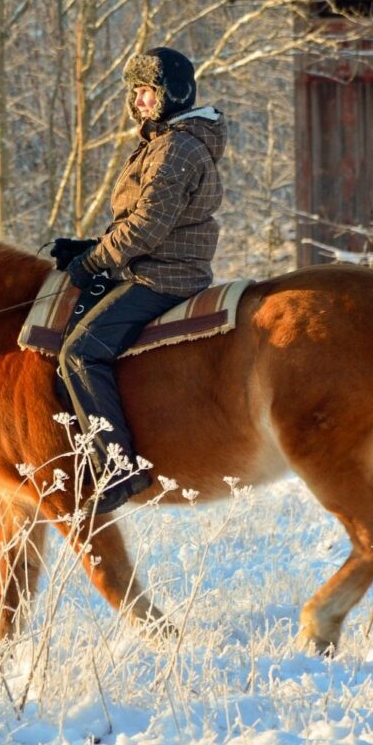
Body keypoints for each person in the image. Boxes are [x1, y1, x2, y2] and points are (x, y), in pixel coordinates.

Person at [48, 46, 225, 515]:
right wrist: (90, 248)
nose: (141, 101)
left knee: (80, 352)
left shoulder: (178, 146)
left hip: (163, 275)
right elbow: (141, 219)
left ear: (174, 94)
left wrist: (93, 263)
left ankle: (119, 467)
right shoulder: (165, 141)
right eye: (137, 93)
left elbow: (148, 226)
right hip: (148, 265)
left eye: (149, 92)